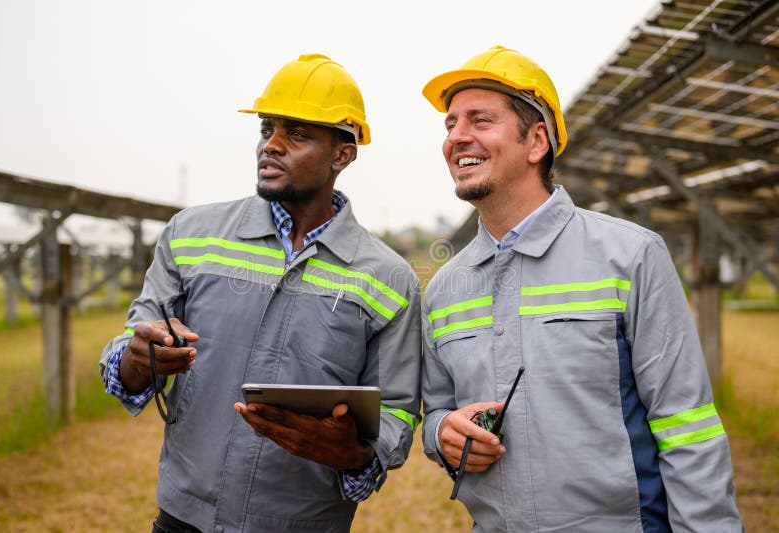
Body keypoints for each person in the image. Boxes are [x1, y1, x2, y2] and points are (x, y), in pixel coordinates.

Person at [419, 46, 743, 532]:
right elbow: (436, 408)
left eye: (479, 120)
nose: (456, 137)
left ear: (536, 142)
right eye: (450, 125)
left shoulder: (631, 256)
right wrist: (442, 431)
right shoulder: (445, 288)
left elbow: (686, 426)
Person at [99, 53, 421, 533]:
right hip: (184, 517)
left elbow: (396, 410)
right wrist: (138, 358)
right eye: (266, 128)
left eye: (296, 133)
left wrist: (353, 455)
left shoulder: (388, 278)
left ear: (342, 154)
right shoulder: (191, 236)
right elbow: (126, 358)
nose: (271, 145)